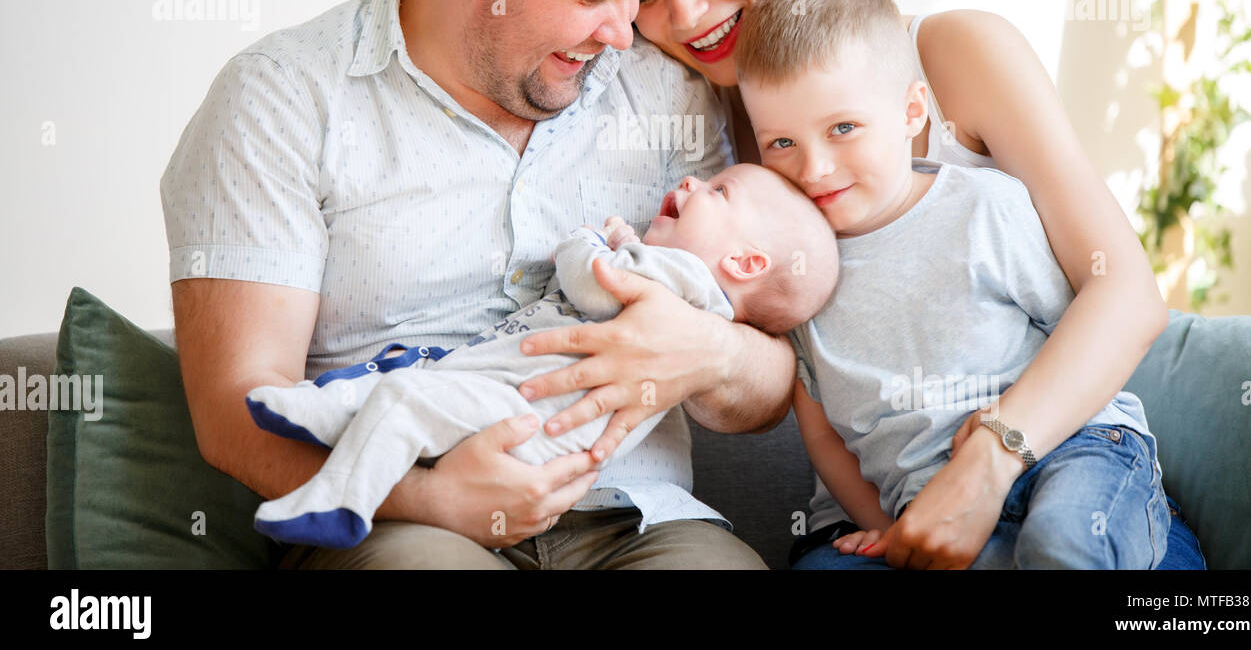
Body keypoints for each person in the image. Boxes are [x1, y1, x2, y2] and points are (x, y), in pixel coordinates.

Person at [160, 0, 801, 570]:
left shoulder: (663, 85)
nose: (625, 34)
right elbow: (236, 411)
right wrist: (428, 499)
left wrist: (709, 353)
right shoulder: (282, 101)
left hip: (641, 518)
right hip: (405, 520)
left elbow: (776, 373)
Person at [622, 0, 1205, 568]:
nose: (687, 11)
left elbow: (1124, 291)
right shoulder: (699, 165)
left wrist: (988, 461)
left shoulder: (951, 54)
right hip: (883, 508)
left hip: (1055, 466)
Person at [735, 0, 1172, 568]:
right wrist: (894, 529)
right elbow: (824, 438)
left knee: (1062, 546)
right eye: (780, 142)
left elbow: (1082, 320)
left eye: (843, 129)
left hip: (1073, 450)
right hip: (920, 496)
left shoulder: (984, 207)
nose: (814, 168)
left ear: (913, 110)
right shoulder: (799, 272)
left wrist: (1003, 446)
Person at [244, 163, 839, 549]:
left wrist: (592, 240)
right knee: (411, 395)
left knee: (405, 396)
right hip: (547, 432)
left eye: (718, 191)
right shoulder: (689, 290)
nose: (691, 184)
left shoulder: (678, 278)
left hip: (527, 418)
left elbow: (591, 280)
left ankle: (340, 493)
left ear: (747, 263)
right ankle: (316, 417)